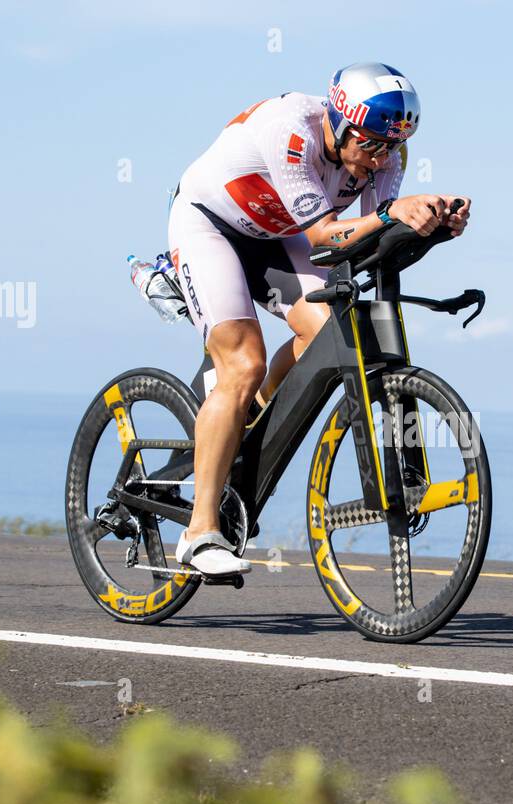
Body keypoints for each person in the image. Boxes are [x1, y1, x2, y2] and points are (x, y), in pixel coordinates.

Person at [167, 62, 470, 575]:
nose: (378, 161)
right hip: (210, 226)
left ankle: (249, 419)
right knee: (243, 363)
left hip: (275, 234)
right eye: (370, 146)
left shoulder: (387, 154)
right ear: (340, 121)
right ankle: (199, 533)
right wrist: (395, 214)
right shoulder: (291, 131)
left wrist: (432, 226)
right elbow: (326, 236)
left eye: (389, 148)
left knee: (330, 329)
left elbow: (370, 237)